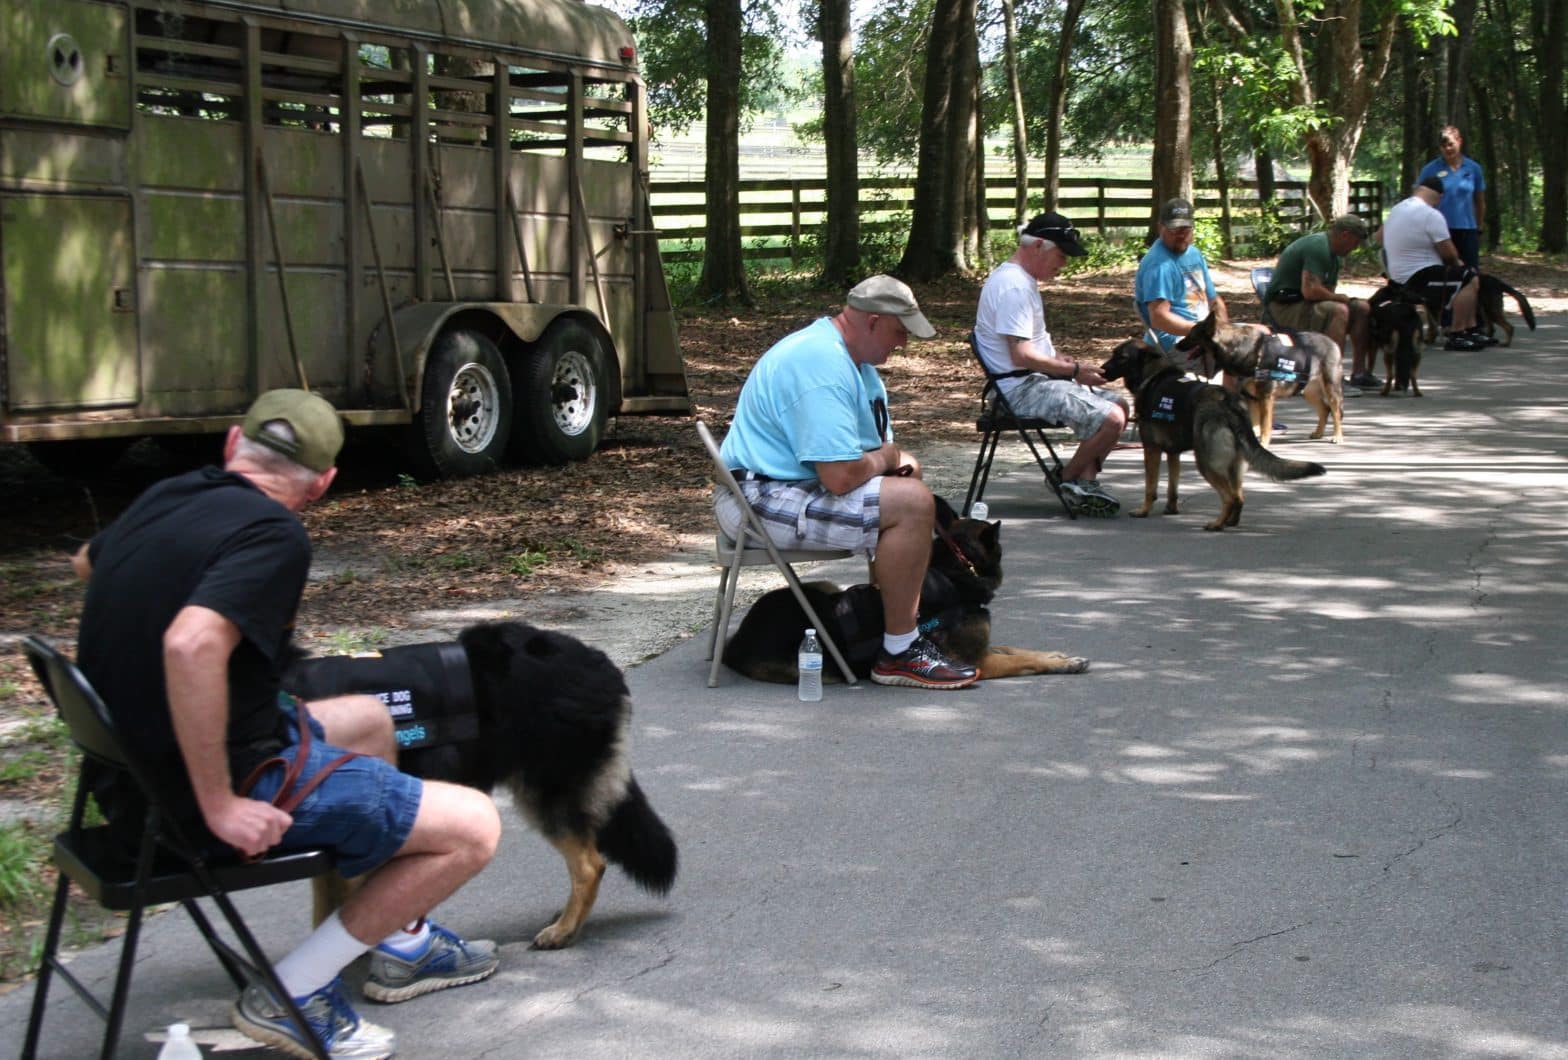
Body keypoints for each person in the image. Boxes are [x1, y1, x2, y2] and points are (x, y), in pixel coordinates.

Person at [73, 390, 501, 1058]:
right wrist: (219, 803)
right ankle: (292, 991)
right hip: (202, 800)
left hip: (125, 779)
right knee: (474, 827)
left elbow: (88, 563)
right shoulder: (274, 534)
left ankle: (401, 940)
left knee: (367, 719)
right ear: (324, 482)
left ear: (230, 445)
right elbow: (191, 645)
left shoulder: (172, 493)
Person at [716, 275, 979, 690]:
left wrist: (895, 462)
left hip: (792, 487)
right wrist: (891, 459)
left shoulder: (858, 368)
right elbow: (840, 476)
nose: (904, 344)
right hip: (758, 498)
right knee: (911, 504)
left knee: (910, 492)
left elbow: (870, 455)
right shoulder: (819, 363)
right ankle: (899, 652)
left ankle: (890, 632)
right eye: (899, 331)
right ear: (873, 321)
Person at [975, 212, 1128, 516]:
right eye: (1061, 254)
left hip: (1034, 381)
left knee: (1120, 406)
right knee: (1111, 418)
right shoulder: (1013, 287)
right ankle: (1067, 480)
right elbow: (1021, 356)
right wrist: (1073, 371)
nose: (1064, 263)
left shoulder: (1023, 281)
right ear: (1038, 246)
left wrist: (1060, 361)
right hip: (1017, 390)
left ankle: (1084, 483)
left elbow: (1031, 347)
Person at [1265, 215, 1377, 388]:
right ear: (1345, 235)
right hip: (1285, 307)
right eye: (1355, 243)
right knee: (1339, 310)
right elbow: (1310, 291)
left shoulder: (1333, 257)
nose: (1355, 248)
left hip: (1305, 304)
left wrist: (1339, 299)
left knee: (1361, 308)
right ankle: (1332, 377)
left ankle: (1360, 373)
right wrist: (1339, 299)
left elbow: (1326, 291)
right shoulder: (1318, 247)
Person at [1379, 175, 1486, 351]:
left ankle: (1470, 330)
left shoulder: (1397, 209)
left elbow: (1378, 238)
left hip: (1397, 274)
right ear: (1439, 196)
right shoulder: (1431, 215)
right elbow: (1450, 255)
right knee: (1469, 276)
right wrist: (1458, 264)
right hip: (1418, 278)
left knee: (1462, 275)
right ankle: (1457, 333)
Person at [1135, 197, 1231, 353]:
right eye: (1174, 229)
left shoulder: (1194, 254)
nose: (1181, 235)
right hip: (1176, 340)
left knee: (1263, 336)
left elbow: (1213, 299)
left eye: (1185, 229)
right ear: (1161, 228)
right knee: (1239, 356)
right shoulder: (1159, 265)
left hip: (1203, 331)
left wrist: (1225, 330)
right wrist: (1200, 333)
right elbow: (1159, 318)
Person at [1417, 125, 1486, 269]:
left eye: (1451, 144)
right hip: (1439, 230)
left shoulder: (1473, 169)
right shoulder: (1430, 169)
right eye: (1443, 146)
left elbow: (1479, 200)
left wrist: (1479, 226)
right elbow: (1418, 201)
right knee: (1443, 272)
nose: (1448, 149)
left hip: (1467, 230)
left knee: (1470, 272)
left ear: (1459, 141)